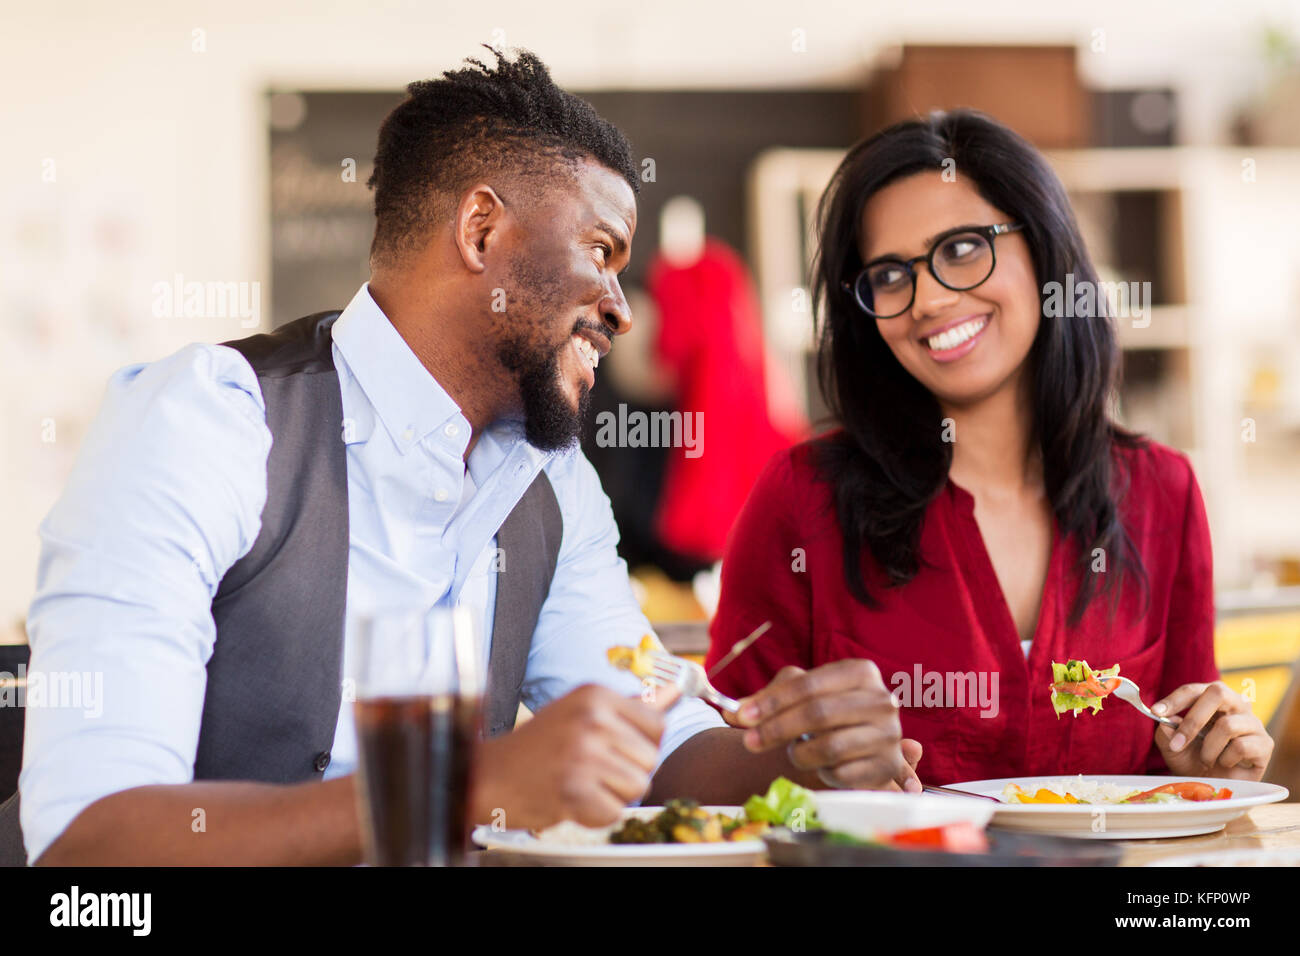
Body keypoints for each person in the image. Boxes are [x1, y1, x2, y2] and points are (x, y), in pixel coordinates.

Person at [4, 48, 916, 867]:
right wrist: (467, 784)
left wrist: (794, 756)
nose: (623, 306)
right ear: (482, 230)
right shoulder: (209, 423)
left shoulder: (553, 481)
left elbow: (662, 745)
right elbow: (89, 841)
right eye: (602, 251)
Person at [706, 109, 1274, 787]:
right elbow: (725, 754)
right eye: (890, 275)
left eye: (963, 248)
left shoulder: (1162, 492)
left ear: (1042, 249)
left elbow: (1175, 758)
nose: (930, 299)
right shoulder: (802, 497)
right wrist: (811, 773)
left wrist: (1210, 759)